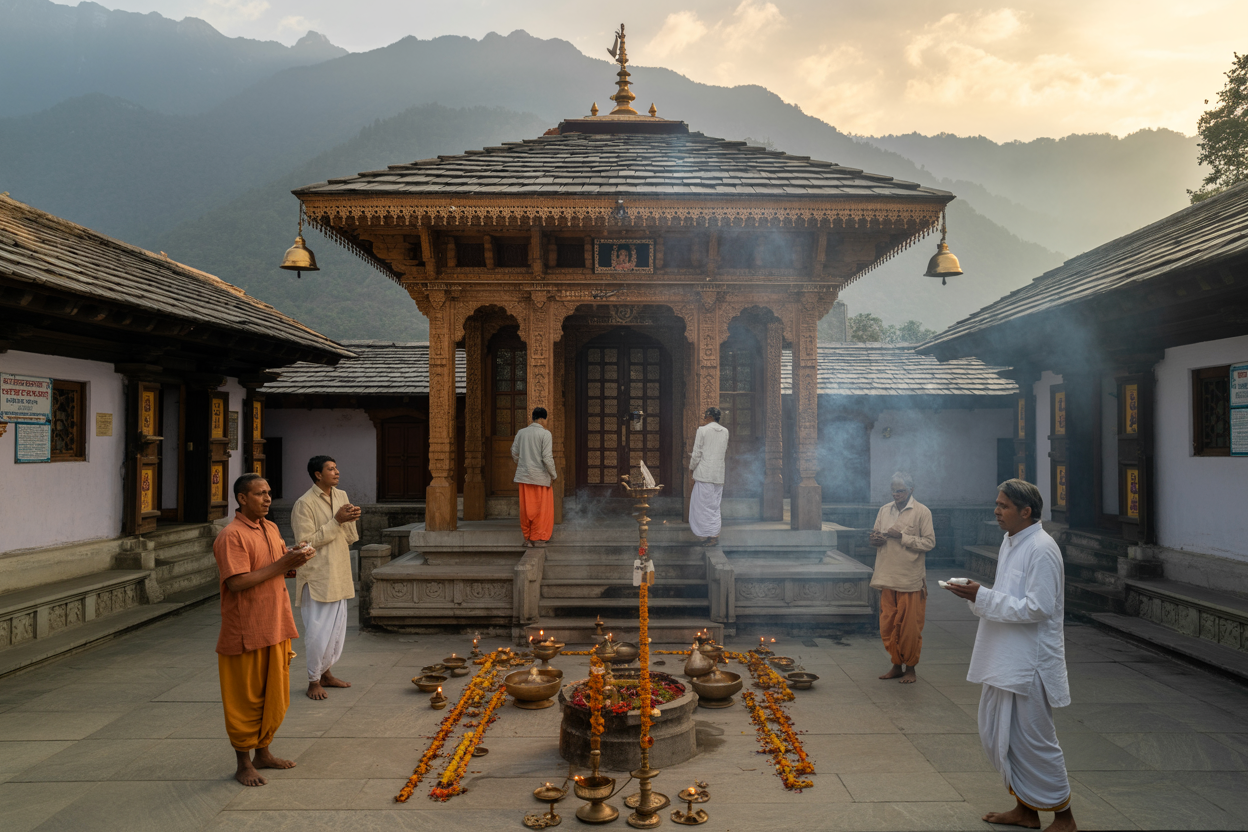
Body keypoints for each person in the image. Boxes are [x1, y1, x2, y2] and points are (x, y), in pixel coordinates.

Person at [945, 479, 1076, 832]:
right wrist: (977, 595)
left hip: (1030, 661)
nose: (996, 511)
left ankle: (1064, 818)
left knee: (1035, 740)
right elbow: (1007, 594)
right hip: (1006, 656)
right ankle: (1026, 810)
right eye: (997, 504)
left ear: (1025, 511)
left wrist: (982, 596)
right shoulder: (1011, 541)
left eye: (1003, 506)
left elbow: (1039, 607)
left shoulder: (1042, 548)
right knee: (1000, 733)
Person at [213, 473, 313, 787]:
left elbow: (275, 570)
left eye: (269, 493)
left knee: (274, 696)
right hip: (247, 629)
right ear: (242, 499)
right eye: (259, 494)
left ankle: (263, 753)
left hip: (276, 623)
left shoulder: (270, 527)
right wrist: (283, 565)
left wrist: (293, 559)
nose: (267, 499)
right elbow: (237, 582)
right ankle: (243, 763)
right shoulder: (232, 536)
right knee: (246, 699)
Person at [291, 455, 361, 700]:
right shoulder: (304, 503)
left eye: (336, 467)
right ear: (318, 475)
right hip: (318, 575)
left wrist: (350, 519)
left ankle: (326, 674)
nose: (336, 471)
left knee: (336, 629)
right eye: (331, 469)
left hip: (339, 570)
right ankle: (313, 681)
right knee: (317, 632)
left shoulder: (341, 496)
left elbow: (348, 536)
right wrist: (337, 520)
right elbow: (305, 542)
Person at [870, 472, 936, 684]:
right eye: (894, 490)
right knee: (888, 625)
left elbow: (929, 543)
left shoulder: (921, 511)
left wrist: (903, 537)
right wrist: (876, 539)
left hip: (910, 579)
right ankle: (896, 665)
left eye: (901, 490)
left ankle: (911, 669)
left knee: (909, 628)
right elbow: (875, 535)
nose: (896, 494)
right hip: (887, 575)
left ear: (911, 490)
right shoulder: (884, 510)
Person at [512, 406, 557, 547]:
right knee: (541, 509)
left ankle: (527, 538)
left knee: (526, 509)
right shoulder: (545, 434)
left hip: (524, 477)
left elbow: (514, 453)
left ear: (533, 418)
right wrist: (553, 475)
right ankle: (538, 537)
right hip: (540, 477)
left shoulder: (521, 433)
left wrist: (524, 463)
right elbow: (547, 458)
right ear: (544, 419)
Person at [688, 407, 729, 546]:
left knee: (701, 507)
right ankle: (713, 535)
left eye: (705, 416)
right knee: (714, 507)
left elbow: (697, 453)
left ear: (710, 417)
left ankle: (710, 535)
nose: (704, 419)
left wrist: (691, 467)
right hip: (718, 475)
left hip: (705, 474)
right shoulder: (725, 431)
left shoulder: (702, 430)